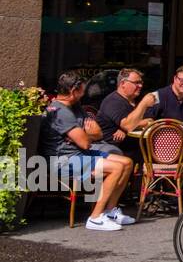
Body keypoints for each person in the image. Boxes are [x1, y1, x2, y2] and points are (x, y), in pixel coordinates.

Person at [41, 71, 135, 231]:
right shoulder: (60, 112)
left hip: (78, 154)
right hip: (63, 160)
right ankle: (95, 218)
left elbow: (98, 133)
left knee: (127, 163)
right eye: (82, 90)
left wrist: (83, 135)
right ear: (73, 91)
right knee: (116, 167)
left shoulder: (75, 106)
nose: (84, 93)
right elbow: (85, 143)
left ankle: (110, 211)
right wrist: (85, 135)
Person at [91, 67, 153, 161]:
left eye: (141, 82)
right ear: (123, 83)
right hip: (114, 150)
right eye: (136, 82)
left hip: (133, 146)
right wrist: (143, 104)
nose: (140, 86)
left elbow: (150, 120)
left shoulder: (136, 100)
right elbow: (128, 125)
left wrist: (125, 129)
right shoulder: (113, 102)